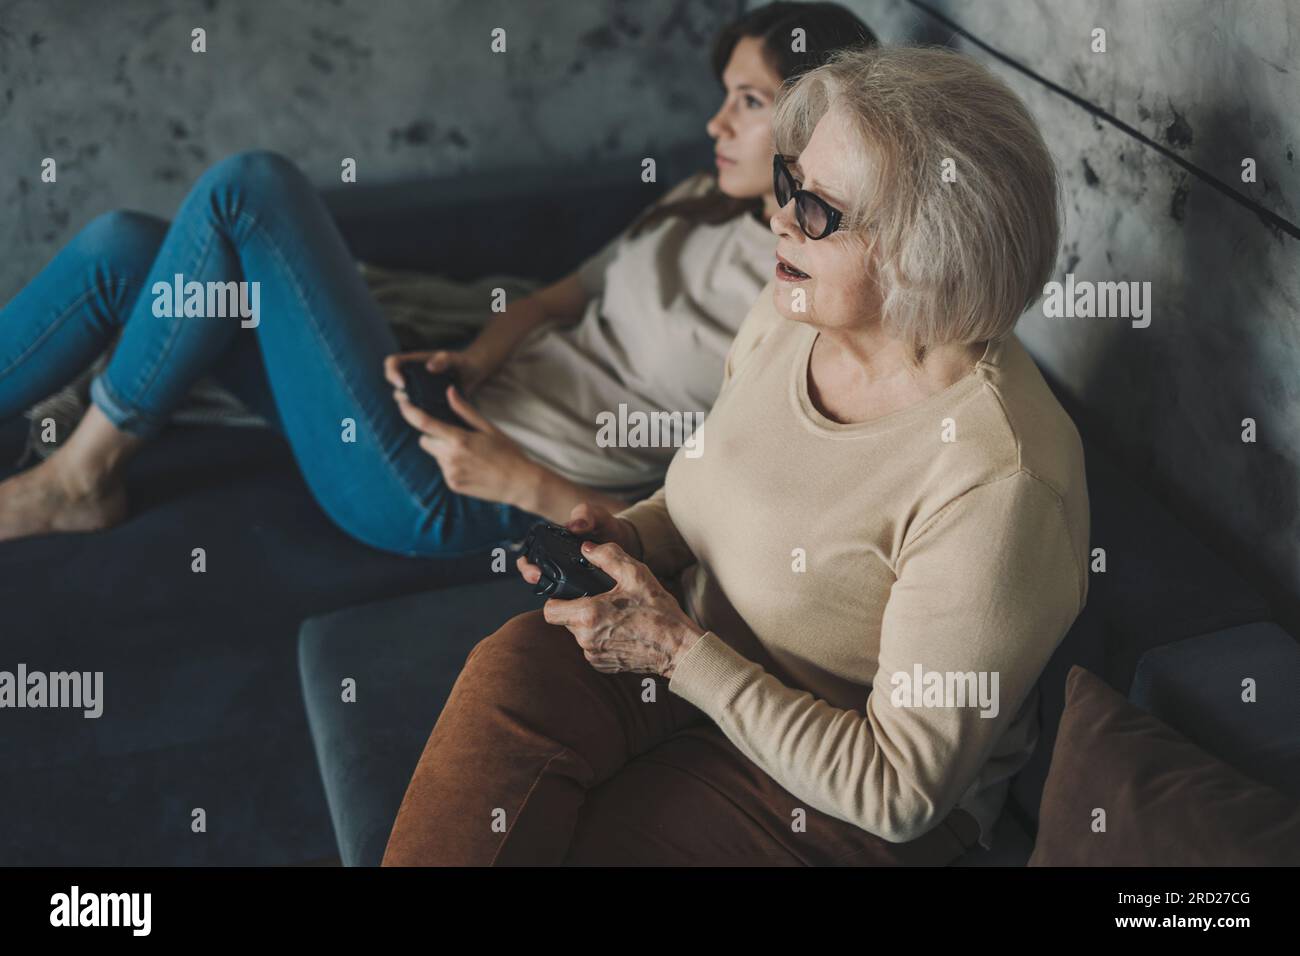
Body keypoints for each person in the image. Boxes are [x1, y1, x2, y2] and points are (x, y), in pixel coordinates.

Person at [382, 45, 1091, 865]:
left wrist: (680, 656)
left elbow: (898, 793)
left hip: (831, 790)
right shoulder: (792, 311)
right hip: (693, 668)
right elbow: (702, 498)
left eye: (816, 209)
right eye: (790, 182)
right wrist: (634, 537)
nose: (778, 217)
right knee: (510, 665)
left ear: (923, 251)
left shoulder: (999, 481)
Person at [0, 3, 876, 556]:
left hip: (445, 488)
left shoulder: (805, 296)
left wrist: (522, 482)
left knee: (251, 189)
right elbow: (556, 298)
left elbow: (713, 532)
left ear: (817, 118)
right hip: (439, 401)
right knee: (125, 246)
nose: (716, 122)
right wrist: (477, 358)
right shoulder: (699, 201)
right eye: (724, 94)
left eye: (749, 102)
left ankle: (80, 478)